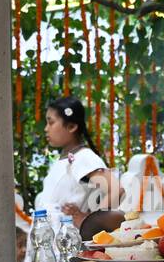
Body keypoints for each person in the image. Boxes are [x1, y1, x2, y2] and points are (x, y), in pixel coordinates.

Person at [34, 96, 122, 235]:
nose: (46, 129)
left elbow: (116, 190)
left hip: (67, 247)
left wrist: (89, 223)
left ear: (72, 127)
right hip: (50, 245)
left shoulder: (83, 157)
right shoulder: (66, 159)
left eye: (51, 123)